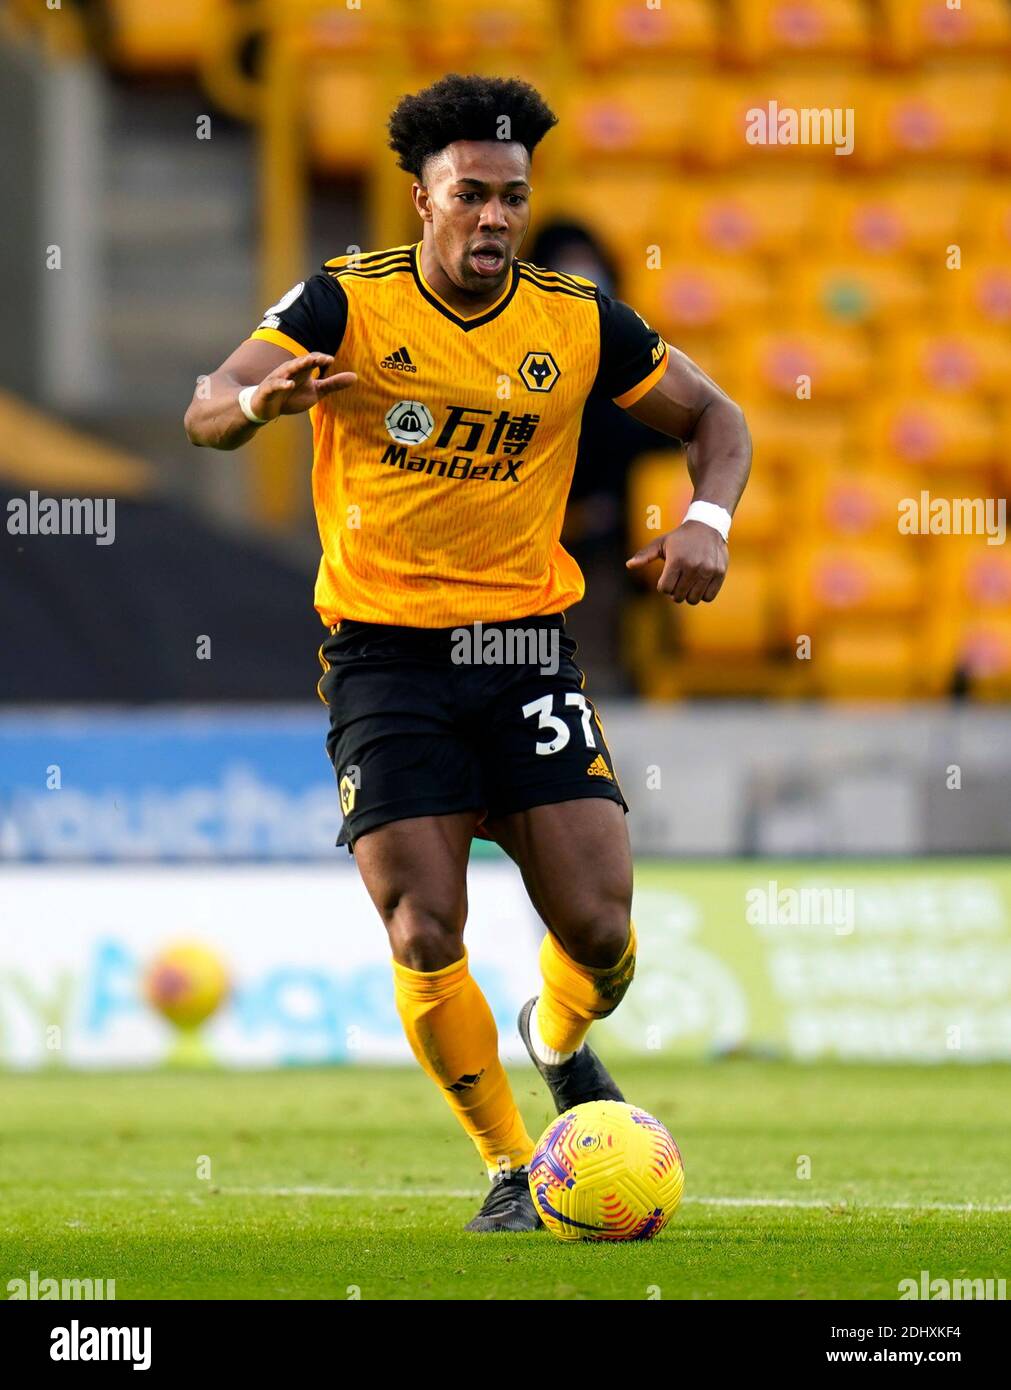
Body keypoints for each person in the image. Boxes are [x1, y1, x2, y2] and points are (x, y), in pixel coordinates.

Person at [184, 73, 751, 1234]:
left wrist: (708, 519)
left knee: (600, 929)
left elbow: (718, 418)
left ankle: (560, 1040)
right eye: (472, 195)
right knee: (423, 923)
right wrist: (259, 406)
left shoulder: (578, 321)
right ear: (422, 200)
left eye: (513, 197)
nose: (496, 217)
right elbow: (207, 402)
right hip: (385, 659)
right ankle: (506, 1163)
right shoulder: (345, 302)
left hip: (525, 650)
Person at [527, 220, 681, 695]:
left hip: (612, 533)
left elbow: (667, 437)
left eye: (589, 263)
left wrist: (612, 508)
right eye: (567, 264)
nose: (583, 275)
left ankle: (609, 669)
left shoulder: (627, 353)